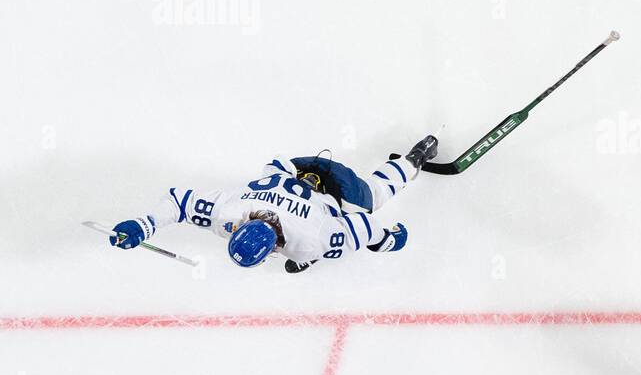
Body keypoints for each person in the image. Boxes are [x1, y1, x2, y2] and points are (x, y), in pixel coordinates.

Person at [105, 136, 438, 273]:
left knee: (374, 196)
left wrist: (389, 239)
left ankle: (415, 159)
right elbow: (179, 201)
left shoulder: (311, 240)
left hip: (329, 182)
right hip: (293, 167)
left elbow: (361, 227)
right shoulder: (228, 215)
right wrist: (142, 225)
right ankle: (413, 158)